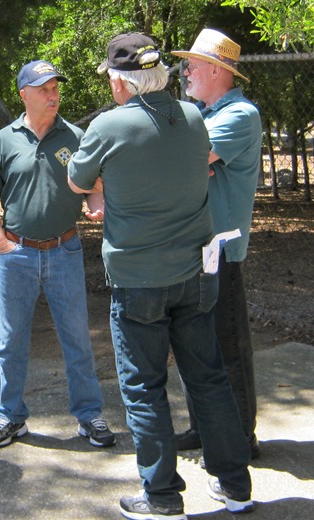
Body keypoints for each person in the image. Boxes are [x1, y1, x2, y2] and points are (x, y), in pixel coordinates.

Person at [68, 33, 253, 518]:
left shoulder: (110, 125)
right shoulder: (193, 117)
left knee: (144, 386)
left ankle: (162, 496)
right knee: (209, 378)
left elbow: (77, 181)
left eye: (111, 78)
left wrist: (114, 178)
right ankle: (235, 485)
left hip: (138, 277)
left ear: (122, 82)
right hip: (195, 274)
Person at [0, 60, 114, 450]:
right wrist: (1, 242)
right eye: (43, 89)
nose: (53, 95)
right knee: (10, 341)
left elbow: (93, 185)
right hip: (16, 254)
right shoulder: (4, 140)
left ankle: (89, 417)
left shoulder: (76, 136)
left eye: (55, 88)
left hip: (65, 250)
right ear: (24, 94)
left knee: (77, 339)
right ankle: (11, 417)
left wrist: (95, 201)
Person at [170, 28, 263, 459]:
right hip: (194, 249)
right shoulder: (202, 113)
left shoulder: (240, 114)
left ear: (213, 69)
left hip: (219, 251)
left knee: (227, 348)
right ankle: (205, 429)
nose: (185, 70)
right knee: (192, 346)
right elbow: (187, 159)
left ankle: (241, 438)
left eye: (191, 63)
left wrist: (191, 163)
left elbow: (186, 157)